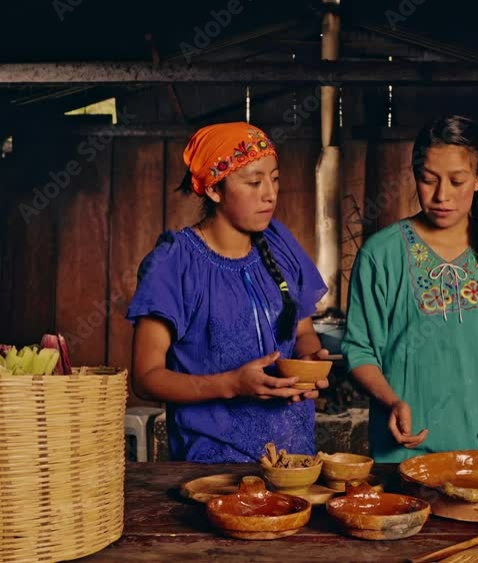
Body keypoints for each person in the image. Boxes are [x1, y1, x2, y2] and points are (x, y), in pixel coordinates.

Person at [341, 115, 478, 463]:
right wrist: (391, 400)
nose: (441, 195)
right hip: (405, 456)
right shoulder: (381, 254)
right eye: (428, 180)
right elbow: (359, 351)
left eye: (457, 181)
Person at [126, 122, 330, 463]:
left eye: (275, 179)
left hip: (292, 463)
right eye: (253, 182)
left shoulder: (280, 244)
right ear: (215, 190)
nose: (270, 193)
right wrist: (232, 384)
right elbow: (146, 378)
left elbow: (304, 332)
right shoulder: (174, 264)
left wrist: (309, 365)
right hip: (210, 469)